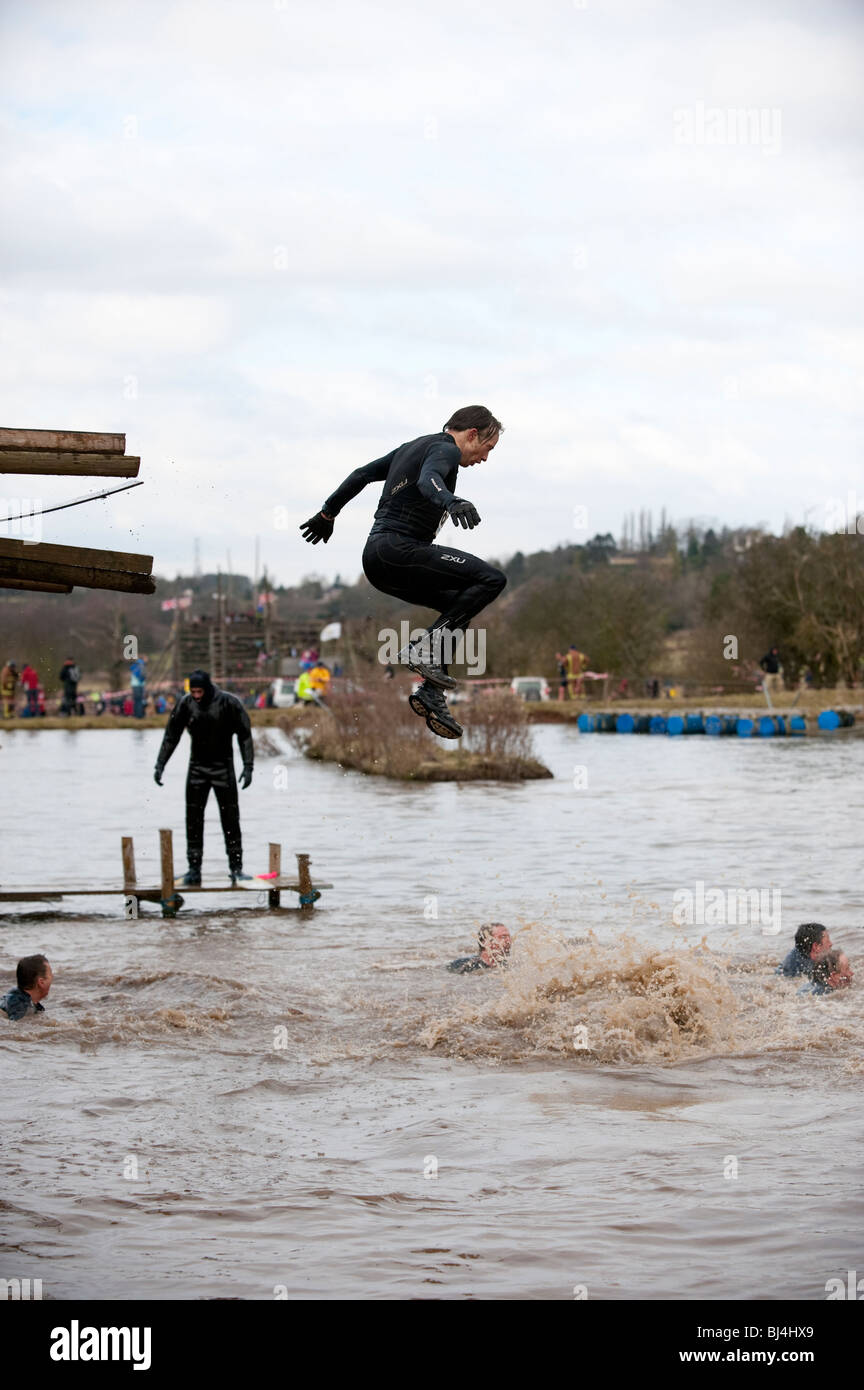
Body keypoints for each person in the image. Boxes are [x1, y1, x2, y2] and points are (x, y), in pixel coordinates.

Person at [300, 405, 506, 740]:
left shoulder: (412, 448)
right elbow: (429, 481)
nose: (485, 458)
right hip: (399, 549)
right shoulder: (445, 449)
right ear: (472, 434)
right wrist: (451, 501)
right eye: (488, 448)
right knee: (491, 579)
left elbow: (361, 474)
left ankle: (431, 692)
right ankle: (421, 649)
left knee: (460, 605)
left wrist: (327, 513)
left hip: (379, 561)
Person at [153, 669, 254, 886]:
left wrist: (248, 766)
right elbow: (171, 736)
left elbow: (245, 735)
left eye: (200, 692)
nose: (197, 696)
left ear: (207, 688)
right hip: (197, 768)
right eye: (193, 692)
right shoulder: (185, 704)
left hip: (223, 768)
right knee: (193, 819)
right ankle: (194, 870)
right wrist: (160, 764)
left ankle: (236, 869)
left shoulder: (229, 703)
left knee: (230, 819)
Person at [1, 954, 53, 1021]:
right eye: (51, 974)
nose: (52, 977)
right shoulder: (20, 1005)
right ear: (41, 982)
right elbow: (16, 1027)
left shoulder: (16, 995)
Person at [447, 923, 512, 974]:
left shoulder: (506, 965)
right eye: (503, 937)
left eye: (509, 937)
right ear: (486, 942)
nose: (508, 940)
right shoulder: (466, 965)